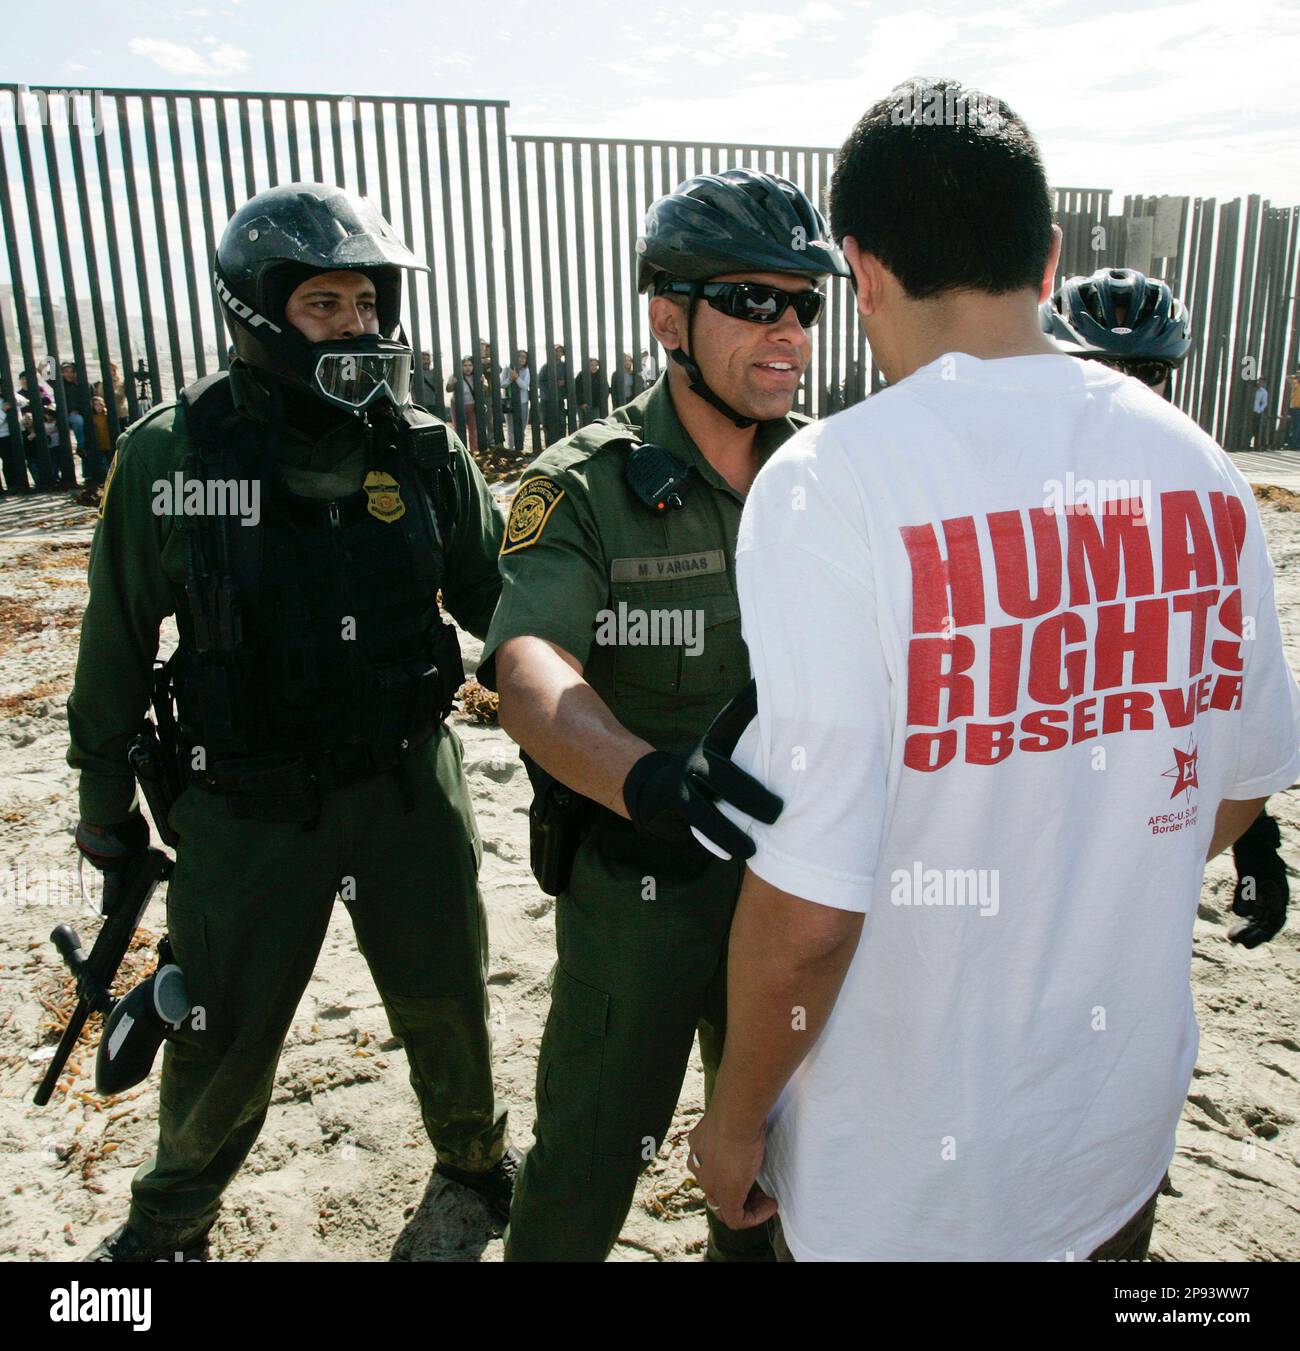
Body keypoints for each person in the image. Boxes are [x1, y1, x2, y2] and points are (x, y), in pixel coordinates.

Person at [686, 77, 1300, 1262]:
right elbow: (1230, 795)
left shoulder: (831, 484)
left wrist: (730, 1115)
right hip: (1111, 1141)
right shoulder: (1199, 470)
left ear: (858, 267)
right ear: (1049, 254)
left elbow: (810, 910)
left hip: (904, 1179)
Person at [67, 181, 517, 1262]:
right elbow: (115, 649)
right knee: (219, 1036)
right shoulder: (177, 458)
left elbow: (502, 601)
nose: (356, 327)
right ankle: (172, 1216)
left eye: (367, 302)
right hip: (247, 811)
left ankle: (471, 1164)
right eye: (325, 304)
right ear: (261, 312)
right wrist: (103, 815)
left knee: (448, 1001)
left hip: (411, 789)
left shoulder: (420, 450)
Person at [481, 167, 848, 1262]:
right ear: (666, 318)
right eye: (751, 299)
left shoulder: (835, 474)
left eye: (805, 303)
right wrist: (650, 779)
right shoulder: (584, 486)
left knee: (784, 1158)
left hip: (801, 895)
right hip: (647, 890)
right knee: (594, 1154)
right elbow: (529, 668)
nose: (786, 328)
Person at [1043, 267, 1290, 951]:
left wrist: (1257, 848)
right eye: (1097, 366)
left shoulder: (1207, 499)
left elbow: (1226, 687)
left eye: (1146, 370)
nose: (1124, 388)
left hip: (1143, 827)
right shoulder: (1014, 491)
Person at [446, 355, 481, 456]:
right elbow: (448, 389)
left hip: (471, 405)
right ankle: (461, 451)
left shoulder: (477, 376)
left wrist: (483, 383)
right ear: (461, 366)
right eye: (465, 365)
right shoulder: (455, 376)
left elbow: (485, 389)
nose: (468, 368)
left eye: (470, 365)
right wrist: (453, 383)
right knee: (458, 428)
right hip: (457, 405)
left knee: (473, 429)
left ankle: (474, 451)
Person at [537, 343, 569, 446]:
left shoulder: (565, 366)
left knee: (561, 423)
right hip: (546, 400)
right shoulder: (546, 367)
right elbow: (540, 383)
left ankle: (561, 445)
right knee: (547, 424)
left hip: (559, 400)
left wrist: (564, 385)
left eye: (560, 351)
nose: (558, 353)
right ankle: (549, 445)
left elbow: (570, 382)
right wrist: (554, 384)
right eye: (556, 351)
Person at [502, 349, 532, 453]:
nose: (522, 359)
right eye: (520, 356)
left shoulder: (526, 370)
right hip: (510, 402)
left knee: (522, 426)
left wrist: (516, 378)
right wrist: (510, 379)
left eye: (524, 357)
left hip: (523, 401)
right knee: (510, 427)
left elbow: (525, 386)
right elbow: (502, 384)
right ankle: (511, 448)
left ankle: (520, 448)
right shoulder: (507, 368)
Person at [574, 355, 609, 426]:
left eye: (596, 365)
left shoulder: (600, 375)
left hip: (596, 405)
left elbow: (606, 388)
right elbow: (577, 390)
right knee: (584, 424)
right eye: (592, 365)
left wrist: (603, 400)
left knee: (596, 423)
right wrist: (581, 403)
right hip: (584, 405)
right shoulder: (581, 375)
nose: (594, 367)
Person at [1287, 368, 1300, 450]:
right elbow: (1287, 378)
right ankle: (1293, 444)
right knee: (1296, 427)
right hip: (1295, 409)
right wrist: (1295, 376)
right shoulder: (1295, 384)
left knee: (1297, 427)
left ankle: (1296, 443)